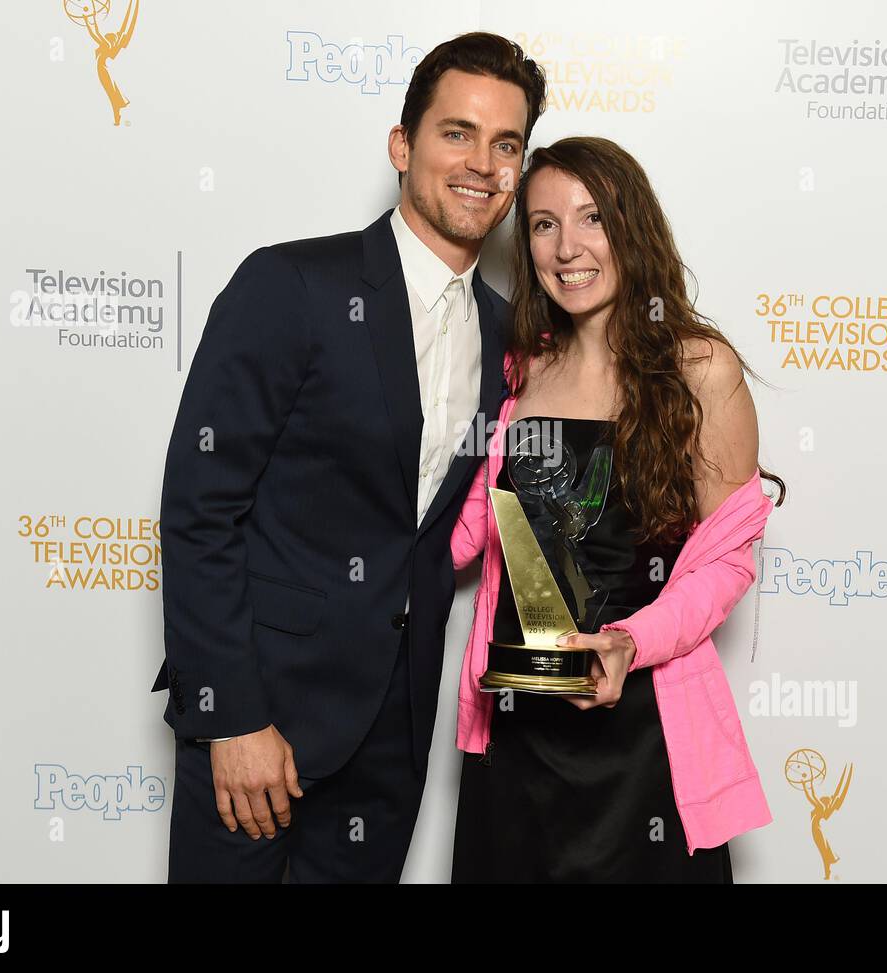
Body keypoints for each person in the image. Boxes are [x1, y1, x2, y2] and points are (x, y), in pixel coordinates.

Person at [153, 33, 547, 883]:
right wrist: (231, 717)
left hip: (391, 747)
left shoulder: (509, 334)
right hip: (261, 730)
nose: (482, 163)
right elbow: (199, 507)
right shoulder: (292, 286)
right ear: (402, 146)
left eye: (506, 144)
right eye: (457, 133)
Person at [448, 136, 786, 883]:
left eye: (591, 217)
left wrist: (630, 641)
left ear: (631, 224)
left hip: (643, 738)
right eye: (542, 224)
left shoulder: (701, 369)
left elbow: (726, 562)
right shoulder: (520, 364)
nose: (567, 247)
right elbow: (465, 529)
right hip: (516, 735)